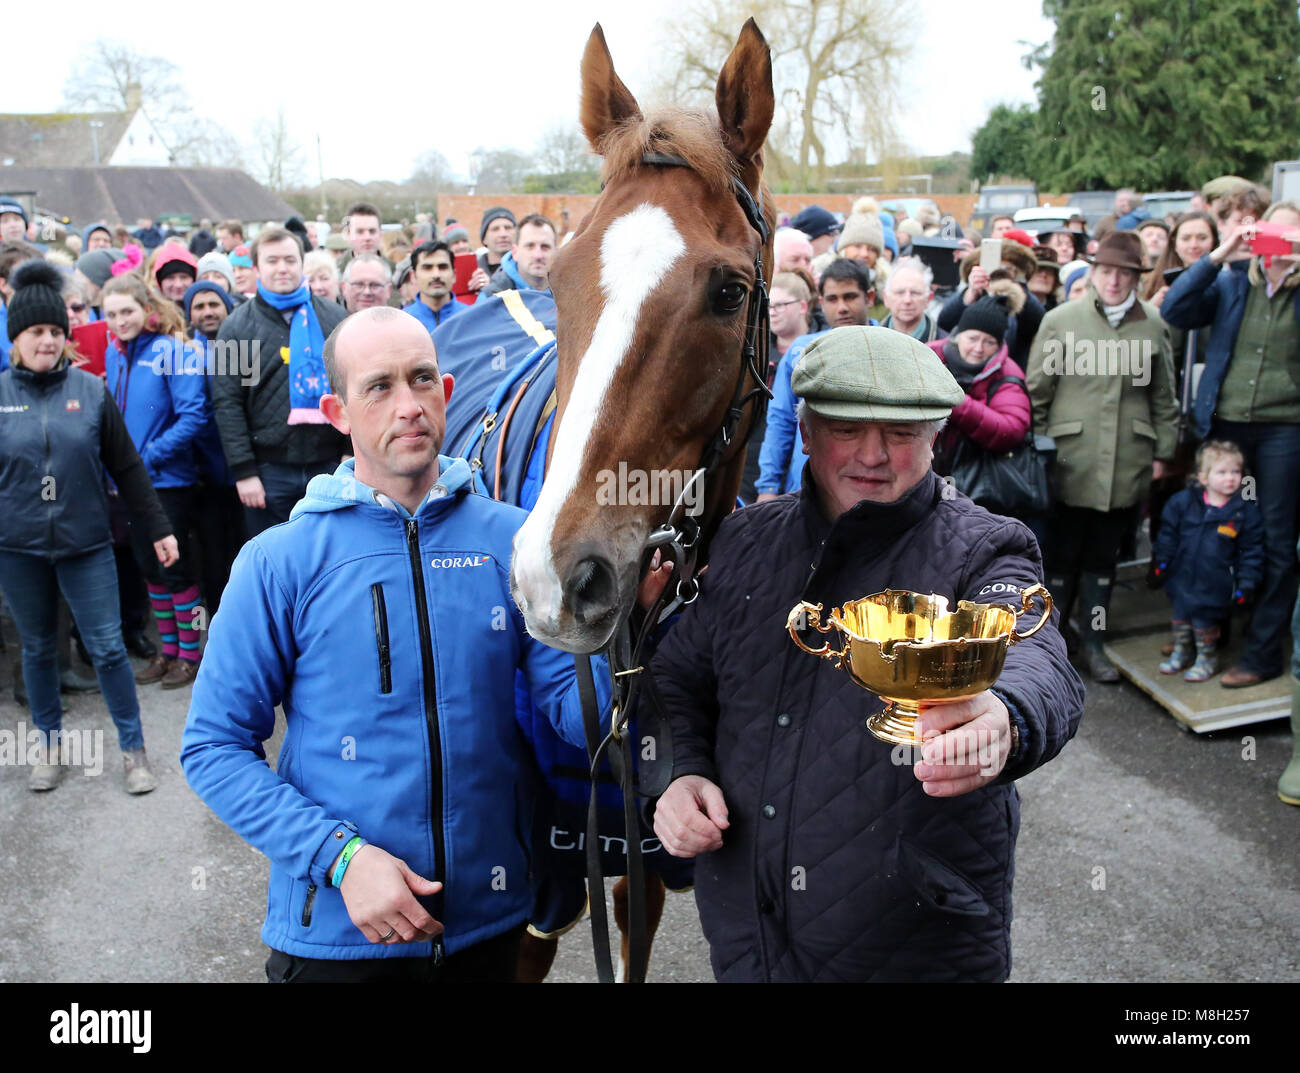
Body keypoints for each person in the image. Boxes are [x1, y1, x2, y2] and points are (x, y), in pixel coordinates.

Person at [181, 306, 614, 982]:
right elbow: (212, 747)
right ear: (337, 411)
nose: (408, 404)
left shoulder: (517, 539)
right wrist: (340, 857)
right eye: (379, 386)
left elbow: (578, 710)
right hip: (339, 937)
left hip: (488, 928)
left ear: (446, 393)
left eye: (421, 380)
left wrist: (626, 626)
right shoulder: (279, 561)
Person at [649, 325, 1084, 982]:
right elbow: (678, 679)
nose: (874, 455)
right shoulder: (744, 540)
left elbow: (1039, 655)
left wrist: (1005, 714)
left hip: (915, 945)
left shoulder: (987, 547)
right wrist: (678, 773)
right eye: (849, 429)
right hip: (747, 935)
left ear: (937, 434)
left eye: (903, 433)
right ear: (809, 425)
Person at [0, 261, 179, 792]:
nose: (49, 341)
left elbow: (127, 467)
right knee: (36, 649)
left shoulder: (91, 392)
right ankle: (49, 747)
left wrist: (158, 528)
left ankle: (133, 751)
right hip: (18, 547)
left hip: (87, 544)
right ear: (17, 338)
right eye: (37, 332)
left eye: (57, 331)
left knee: (105, 648)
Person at [1027, 230, 1179, 681]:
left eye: (1125, 274)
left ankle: (1095, 643)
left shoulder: (1153, 323)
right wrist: (1038, 453)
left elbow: (1164, 396)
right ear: (1094, 272)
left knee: (1103, 560)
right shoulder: (1061, 321)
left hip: (1126, 464)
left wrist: (1163, 454)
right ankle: (1050, 646)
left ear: (1137, 278)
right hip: (1070, 461)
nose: (1114, 281)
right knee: (1061, 557)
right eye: (1107, 271)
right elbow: (1037, 394)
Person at [1161, 200, 1300, 688]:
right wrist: (1220, 252)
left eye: (1291, 235)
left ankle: (1262, 652)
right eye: (1272, 233)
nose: (1279, 244)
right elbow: (1175, 307)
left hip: (1285, 428)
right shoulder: (1234, 279)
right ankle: (1202, 629)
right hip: (1227, 427)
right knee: (1213, 526)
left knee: (1277, 539)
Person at [101, 274, 209, 690]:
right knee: (149, 569)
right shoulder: (115, 354)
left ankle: (190, 655)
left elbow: (193, 416)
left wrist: (146, 459)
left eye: (126, 311)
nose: (119, 320)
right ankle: (166, 651)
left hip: (167, 481)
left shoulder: (174, 350)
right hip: (129, 485)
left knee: (176, 570)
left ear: (147, 310)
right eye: (110, 314)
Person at [212, 224, 349, 538]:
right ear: (257, 268)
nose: (282, 268)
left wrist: (350, 451)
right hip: (268, 472)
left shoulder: (336, 319)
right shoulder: (235, 327)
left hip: (328, 464)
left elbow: (350, 388)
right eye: (272, 261)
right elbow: (227, 401)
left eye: (290, 260)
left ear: (302, 264)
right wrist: (244, 471)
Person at [755, 259, 874, 498]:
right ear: (821, 302)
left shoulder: (894, 349)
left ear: (869, 297)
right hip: (805, 490)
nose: (841, 307)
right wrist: (767, 487)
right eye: (832, 299)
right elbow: (781, 421)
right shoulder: (802, 352)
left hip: (870, 488)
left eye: (850, 297)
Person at [1151, 440, 1264, 682]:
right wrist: (1162, 562)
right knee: (1180, 619)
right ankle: (1182, 652)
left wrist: (1246, 584)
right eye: (1222, 472)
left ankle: (1207, 658)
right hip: (1182, 578)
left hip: (1215, 583)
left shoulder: (1243, 513)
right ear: (1203, 477)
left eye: (1235, 472)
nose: (1231, 478)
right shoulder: (1182, 504)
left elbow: (1251, 552)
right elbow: (1168, 535)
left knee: (1205, 624)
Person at [926, 286, 1032, 494]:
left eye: (989, 342)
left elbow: (1010, 430)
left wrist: (956, 402)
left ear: (999, 344)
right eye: (973, 339)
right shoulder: (929, 355)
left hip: (975, 482)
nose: (978, 349)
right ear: (958, 335)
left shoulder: (1007, 374)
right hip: (925, 468)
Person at [480, 214, 555, 299]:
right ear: (515, 252)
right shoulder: (491, 297)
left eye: (545, 247)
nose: (538, 255)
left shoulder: (568, 294)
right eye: (530, 246)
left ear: (556, 252)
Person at [403, 240, 466, 334]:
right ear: (413, 276)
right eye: (427, 268)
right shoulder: (403, 322)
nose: (436, 275)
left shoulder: (471, 317)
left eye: (443, 267)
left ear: (454, 275)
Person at [881, 256, 944, 341]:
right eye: (900, 292)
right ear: (886, 298)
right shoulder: (870, 340)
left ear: (928, 299)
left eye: (915, 293)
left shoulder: (944, 347)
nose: (907, 300)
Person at [467, 207, 516, 295]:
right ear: (484, 239)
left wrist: (491, 287)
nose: (503, 234)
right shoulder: (472, 273)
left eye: (508, 228)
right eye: (495, 229)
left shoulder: (526, 271)